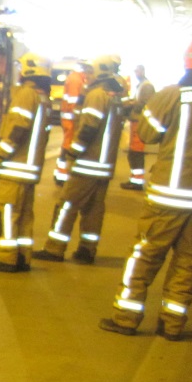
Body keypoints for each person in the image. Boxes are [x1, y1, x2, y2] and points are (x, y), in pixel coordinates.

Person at [101, 34, 192, 340]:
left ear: (187, 59)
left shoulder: (172, 95)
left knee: (145, 255)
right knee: (189, 262)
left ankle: (126, 317)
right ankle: (172, 325)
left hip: (167, 196)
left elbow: (147, 133)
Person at [32, 54, 127, 264]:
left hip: (88, 162)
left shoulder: (97, 95)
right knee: (94, 208)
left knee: (67, 203)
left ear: (99, 72)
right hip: (104, 164)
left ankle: (54, 248)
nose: (87, 76)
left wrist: (72, 152)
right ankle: (87, 249)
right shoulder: (116, 96)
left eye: (90, 72)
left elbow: (89, 127)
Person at [0, 53, 55, 273]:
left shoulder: (26, 94)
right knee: (23, 216)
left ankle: (6, 257)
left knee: (6, 211)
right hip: (30, 169)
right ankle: (22, 257)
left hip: (16, 167)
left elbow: (17, 129)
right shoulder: (43, 98)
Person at [119, 64, 157, 190]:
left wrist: (132, 105)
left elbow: (145, 103)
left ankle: (137, 181)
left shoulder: (146, 86)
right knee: (134, 152)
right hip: (136, 121)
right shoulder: (142, 85)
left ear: (142, 71)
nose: (136, 73)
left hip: (139, 121)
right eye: (135, 71)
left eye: (137, 71)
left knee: (136, 152)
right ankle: (135, 179)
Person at [54, 60, 91, 186]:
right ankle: (62, 175)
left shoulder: (78, 78)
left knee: (67, 144)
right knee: (68, 145)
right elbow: (74, 102)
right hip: (71, 119)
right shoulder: (76, 79)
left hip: (70, 118)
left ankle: (61, 173)